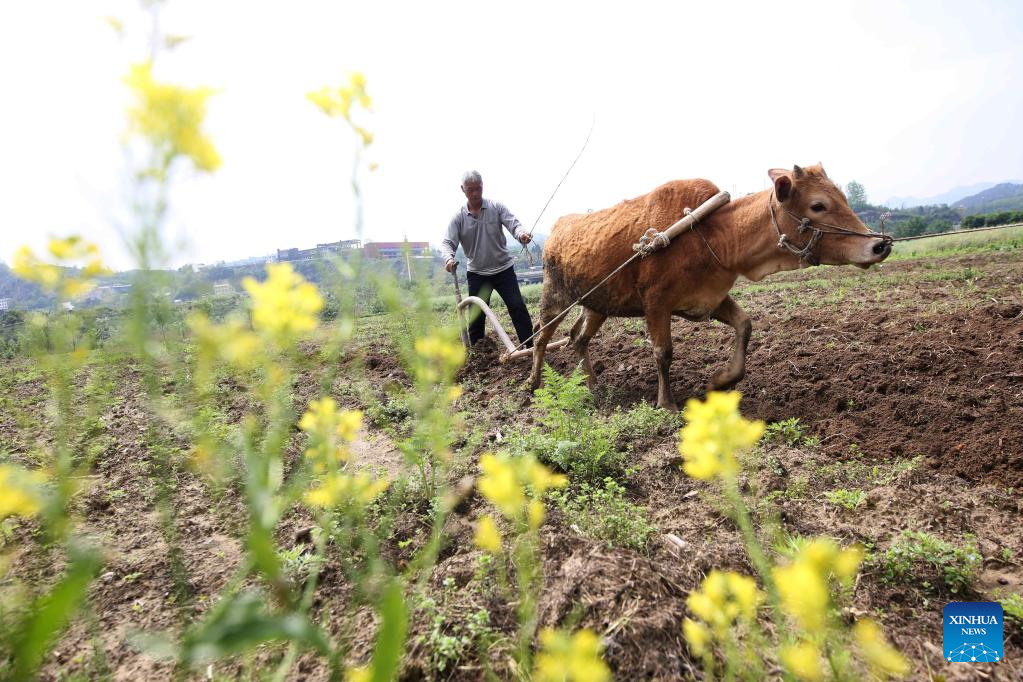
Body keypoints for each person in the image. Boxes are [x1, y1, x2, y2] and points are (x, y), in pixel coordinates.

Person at [441, 170, 534, 348]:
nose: (475, 193)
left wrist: (521, 234)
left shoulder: (496, 207)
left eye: (478, 188)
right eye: (470, 189)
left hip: (503, 269)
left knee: (517, 307)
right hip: (477, 273)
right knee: (476, 316)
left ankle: (530, 347)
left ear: (483, 187)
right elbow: (447, 243)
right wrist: (448, 259)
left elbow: (514, 224)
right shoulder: (459, 217)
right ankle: (478, 354)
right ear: (463, 189)